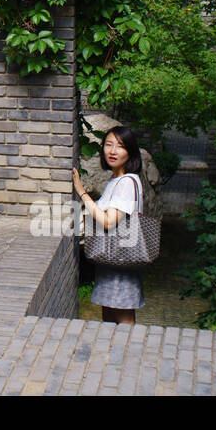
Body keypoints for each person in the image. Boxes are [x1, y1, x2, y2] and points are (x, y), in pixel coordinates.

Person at [71, 126, 146, 325]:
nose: (112, 151)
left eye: (120, 146)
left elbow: (108, 222)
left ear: (130, 152)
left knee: (123, 322)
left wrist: (82, 192)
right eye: (108, 145)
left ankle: (128, 355)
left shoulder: (127, 183)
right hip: (111, 261)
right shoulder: (116, 180)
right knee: (110, 321)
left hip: (121, 262)